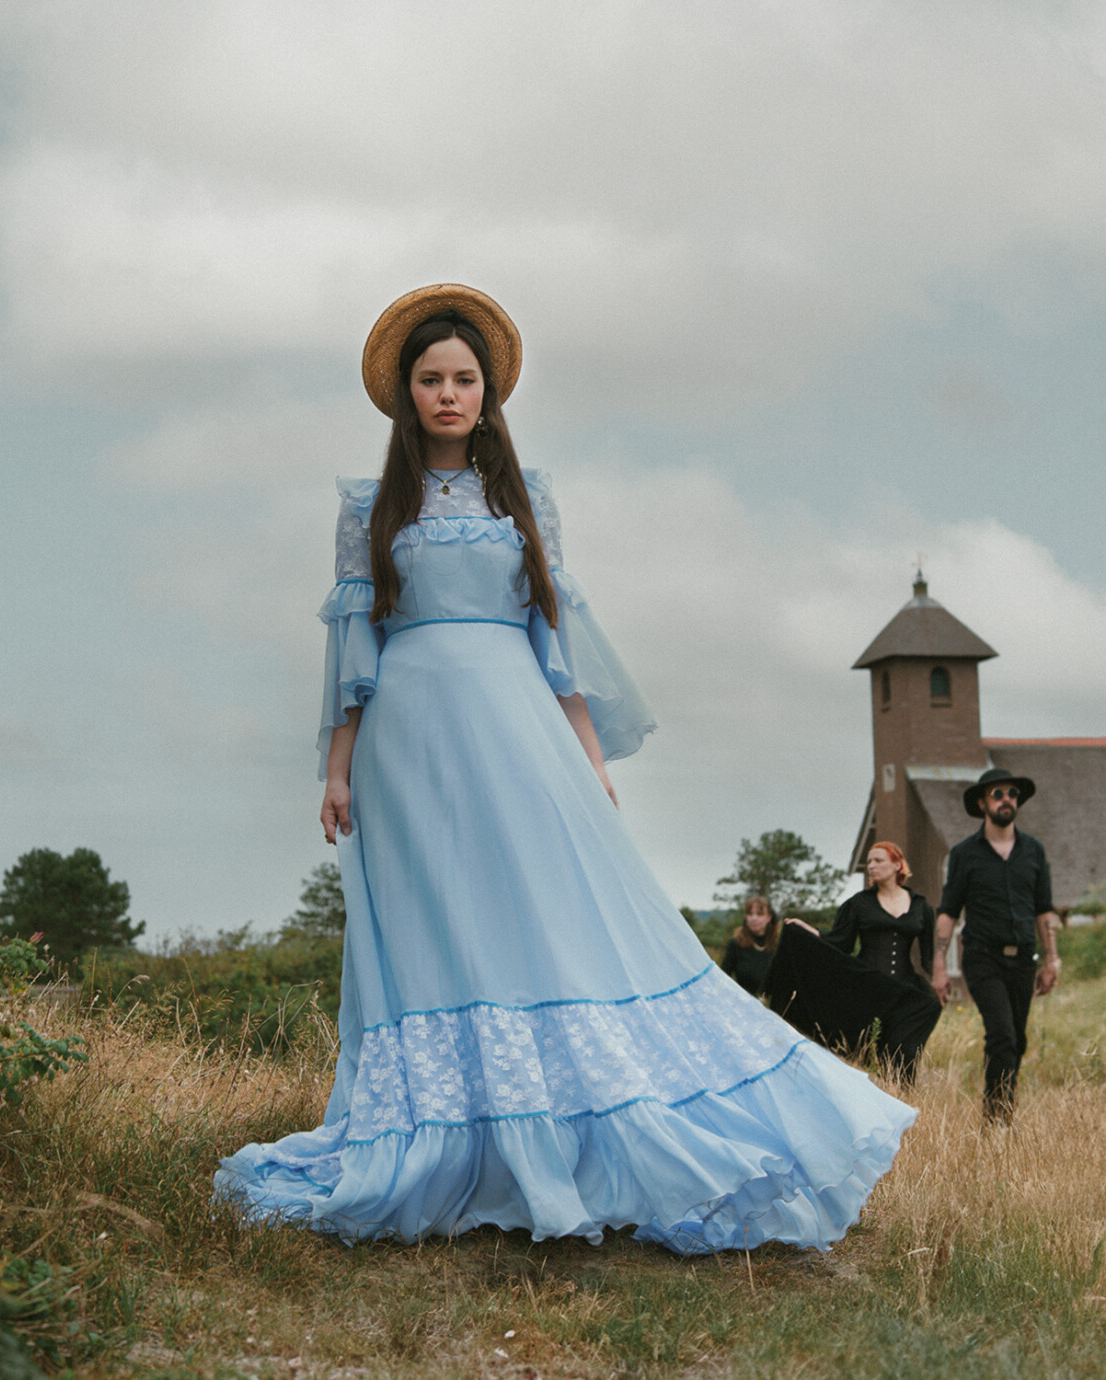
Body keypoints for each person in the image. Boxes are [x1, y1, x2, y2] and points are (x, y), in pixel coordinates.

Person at [214, 283, 915, 1255]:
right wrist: (336, 770)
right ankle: (457, 1139)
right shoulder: (370, 509)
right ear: (406, 394)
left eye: (465, 379)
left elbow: (559, 642)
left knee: (547, 912)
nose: (449, 395)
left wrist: (589, 761)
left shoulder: (524, 499)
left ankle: (584, 1128)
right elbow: (353, 650)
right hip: (405, 746)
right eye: (431, 380)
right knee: (434, 929)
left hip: (517, 728)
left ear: (489, 393)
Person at [933, 767, 1062, 1124]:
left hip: (1022, 959)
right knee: (1002, 1033)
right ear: (982, 803)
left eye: (1012, 794)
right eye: (998, 794)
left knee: (1016, 1040)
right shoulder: (964, 854)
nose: (1007, 799)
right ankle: (997, 1121)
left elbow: (1044, 911)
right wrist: (939, 967)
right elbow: (947, 913)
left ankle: (1002, 1107)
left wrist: (1052, 960)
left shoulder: (1033, 851)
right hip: (982, 956)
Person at [764, 844, 941, 1086]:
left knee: (904, 1051)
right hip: (866, 987)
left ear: (897, 865)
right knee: (863, 1051)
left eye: (878, 860)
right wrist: (808, 931)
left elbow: (930, 955)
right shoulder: (859, 903)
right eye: (869, 862)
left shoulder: (920, 905)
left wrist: (939, 981)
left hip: (902, 989)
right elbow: (840, 943)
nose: (871, 866)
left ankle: (903, 1098)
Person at [718, 895, 779, 997]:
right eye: (750, 914)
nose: (754, 918)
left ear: (769, 917)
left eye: (759, 914)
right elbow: (723, 978)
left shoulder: (777, 945)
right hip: (742, 1004)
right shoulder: (736, 943)